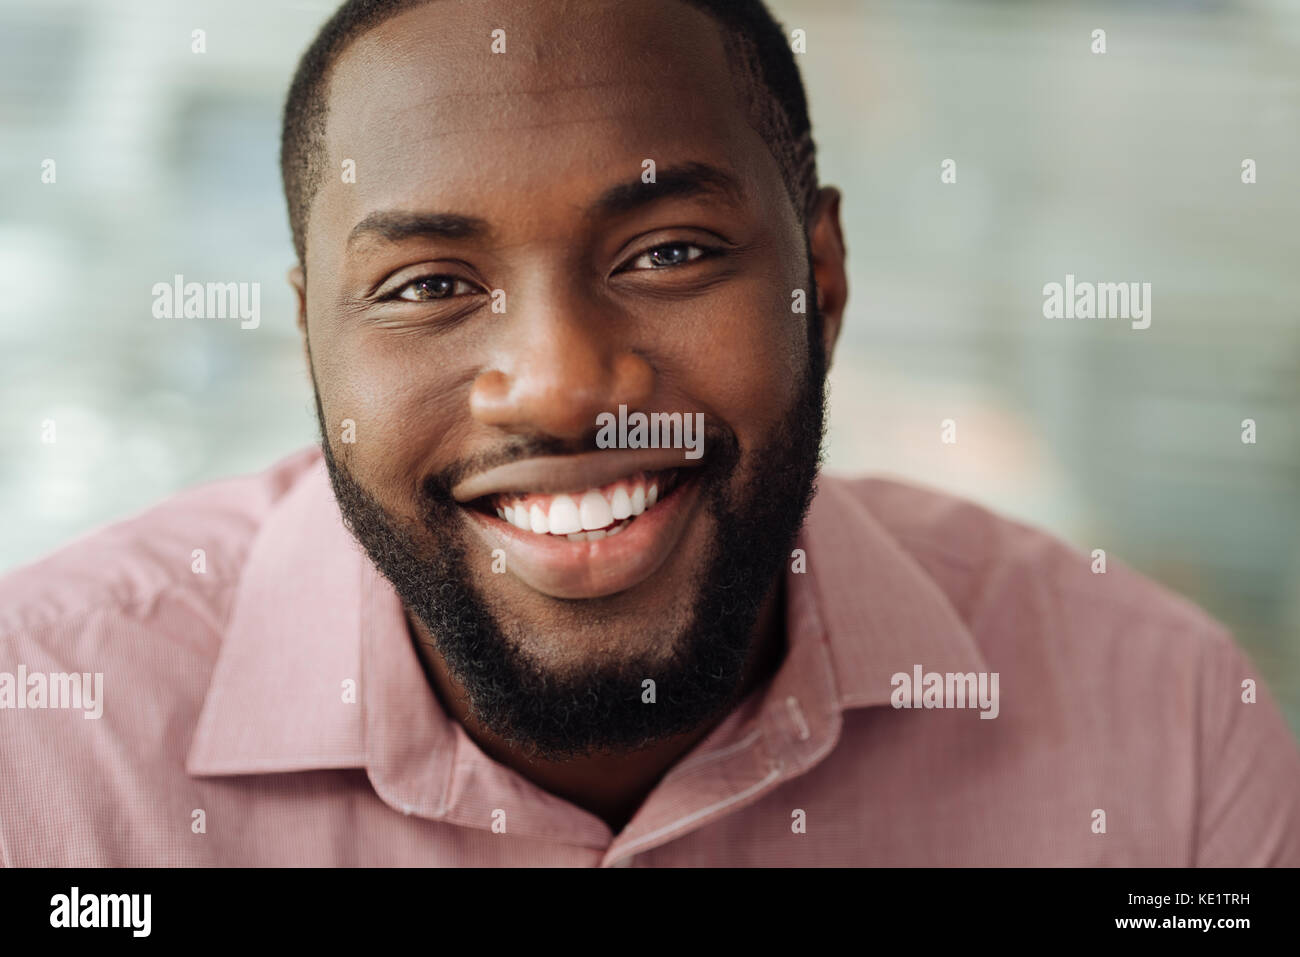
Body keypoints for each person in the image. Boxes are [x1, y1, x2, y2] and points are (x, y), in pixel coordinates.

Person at [1, 0, 1297, 867]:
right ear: (311, 342)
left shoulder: (1164, 729)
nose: (562, 389)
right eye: (428, 286)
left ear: (823, 279)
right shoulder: (46, 749)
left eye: (669, 251)